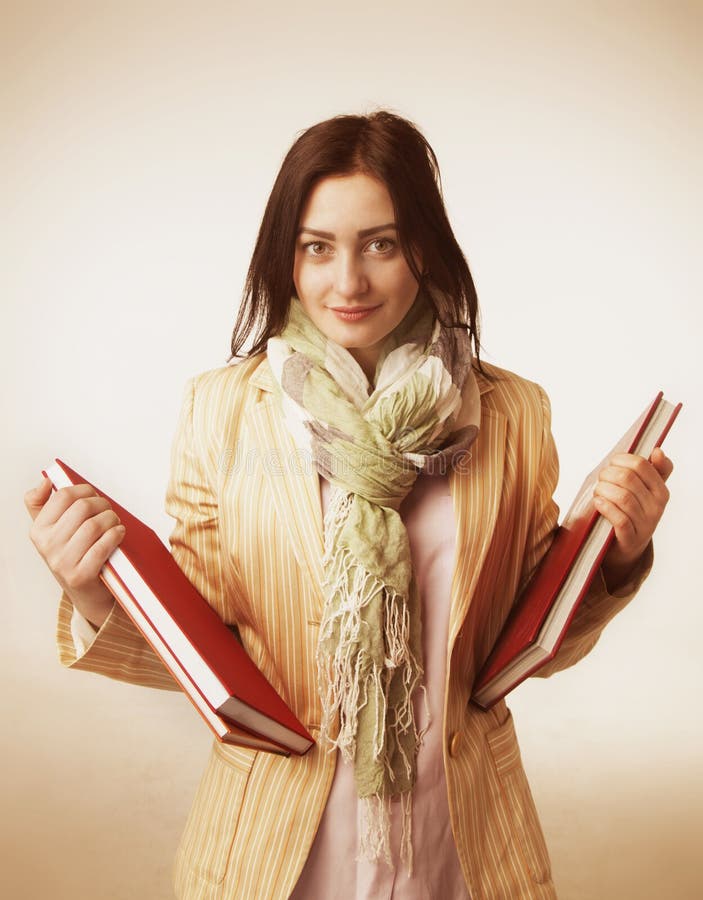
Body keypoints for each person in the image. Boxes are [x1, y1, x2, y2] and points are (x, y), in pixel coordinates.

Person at [25, 110, 673, 900]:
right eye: (317, 247)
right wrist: (93, 586)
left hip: (457, 840)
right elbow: (205, 644)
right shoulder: (224, 409)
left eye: (380, 243)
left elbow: (526, 644)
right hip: (276, 848)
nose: (349, 282)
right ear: (286, 259)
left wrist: (619, 550)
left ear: (422, 246)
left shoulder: (510, 413)